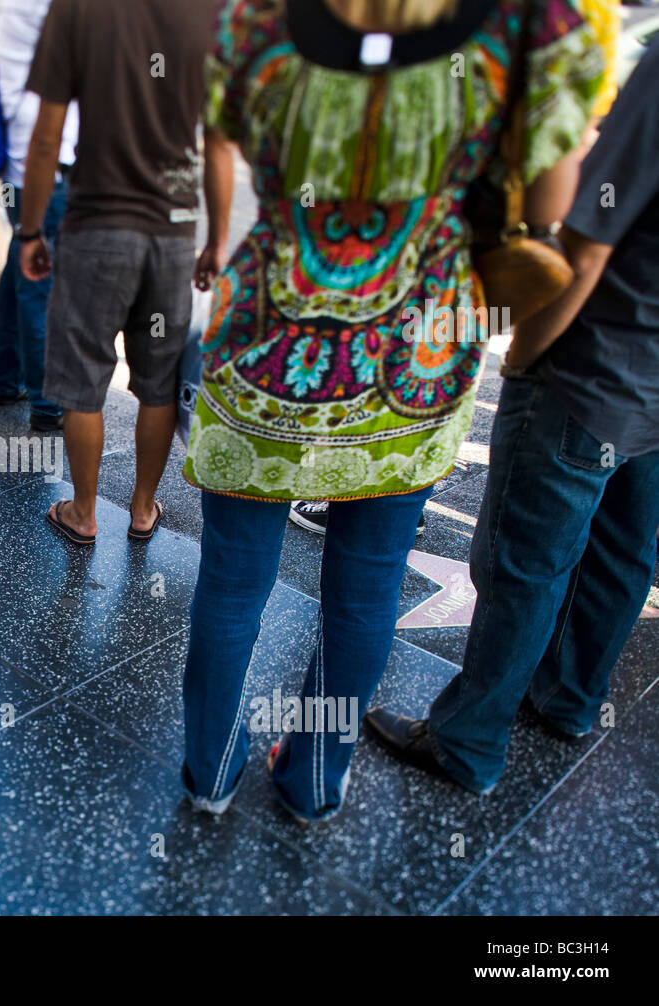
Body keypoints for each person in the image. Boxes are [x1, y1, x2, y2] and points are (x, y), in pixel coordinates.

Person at [180, 0, 601, 820]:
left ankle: (209, 774)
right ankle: (312, 778)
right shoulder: (524, 27)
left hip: (268, 340)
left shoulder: (254, 21)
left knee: (231, 585)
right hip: (418, 353)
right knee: (366, 591)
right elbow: (551, 200)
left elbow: (226, 137)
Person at [367, 44, 659, 795]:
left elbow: (586, 244)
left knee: (523, 565)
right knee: (623, 556)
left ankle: (467, 740)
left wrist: (526, 354)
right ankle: (569, 703)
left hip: (591, 367)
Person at [21, 0, 217, 545]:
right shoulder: (213, 12)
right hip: (174, 229)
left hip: (96, 228)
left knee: (83, 381)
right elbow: (220, 139)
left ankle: (83, 512)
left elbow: (46, 136)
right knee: (157, 383)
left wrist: (30, 231)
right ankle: (143, 506)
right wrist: (216, 239)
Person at [0, 0, 78, 431]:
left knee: (20, 265)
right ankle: (47, 402)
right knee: (39, 283)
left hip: (16, 165)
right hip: (48, 161)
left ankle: (6, 377)